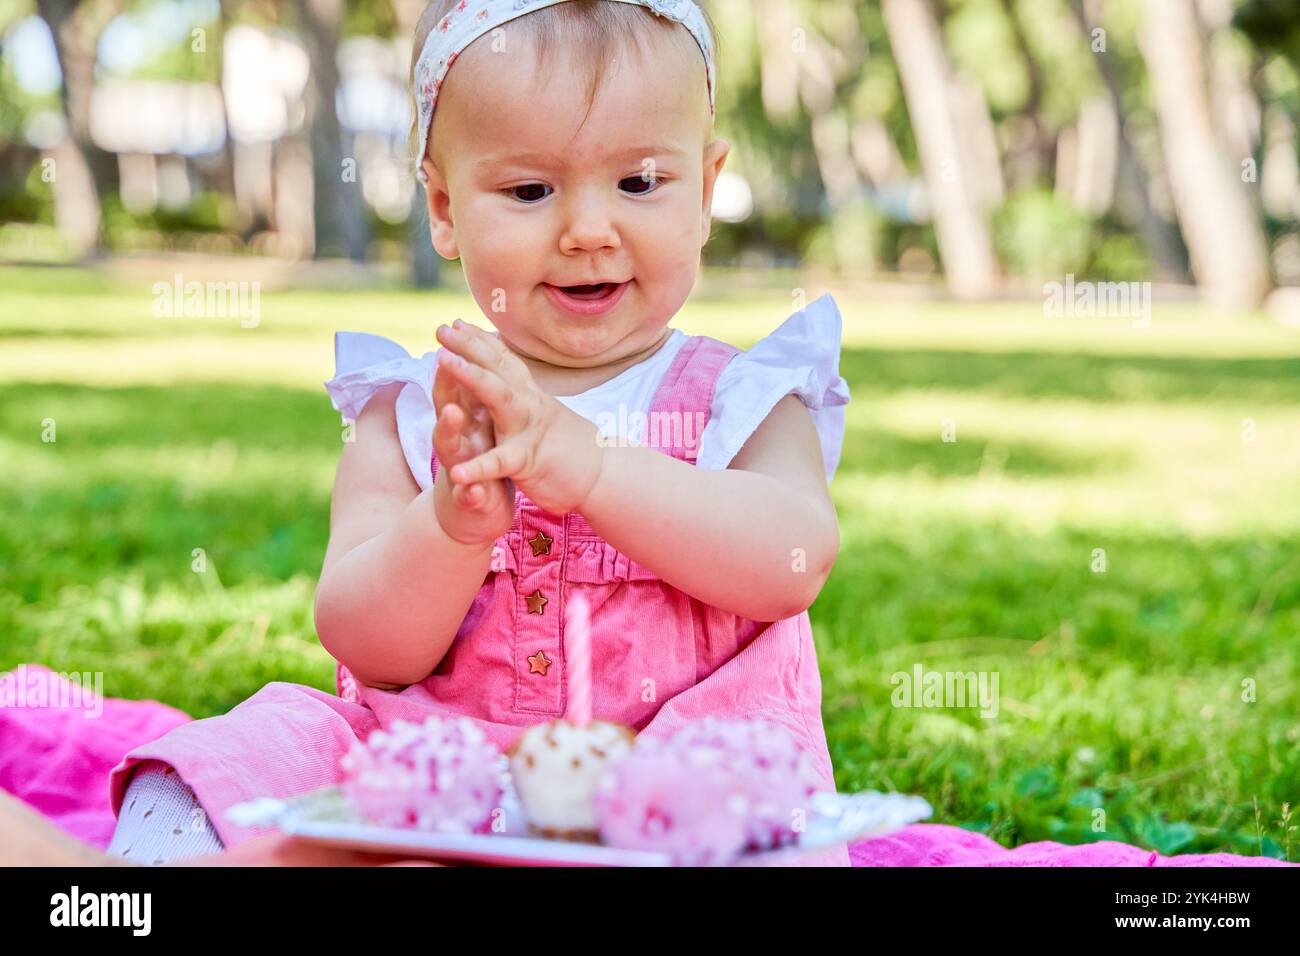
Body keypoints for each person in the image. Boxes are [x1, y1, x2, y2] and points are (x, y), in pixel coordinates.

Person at [105, 0, 853, 866]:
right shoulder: (419, 410)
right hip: (440, 779)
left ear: (707, 189)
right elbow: (367, 646)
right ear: (445, 207)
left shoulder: (745, 398)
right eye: (530, 190)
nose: (588, 231)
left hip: (682, 781)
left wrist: (592, 470)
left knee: (765, 827)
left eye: (640, 183)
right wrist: (451, 528)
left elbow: (793, 562)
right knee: (225, 772)